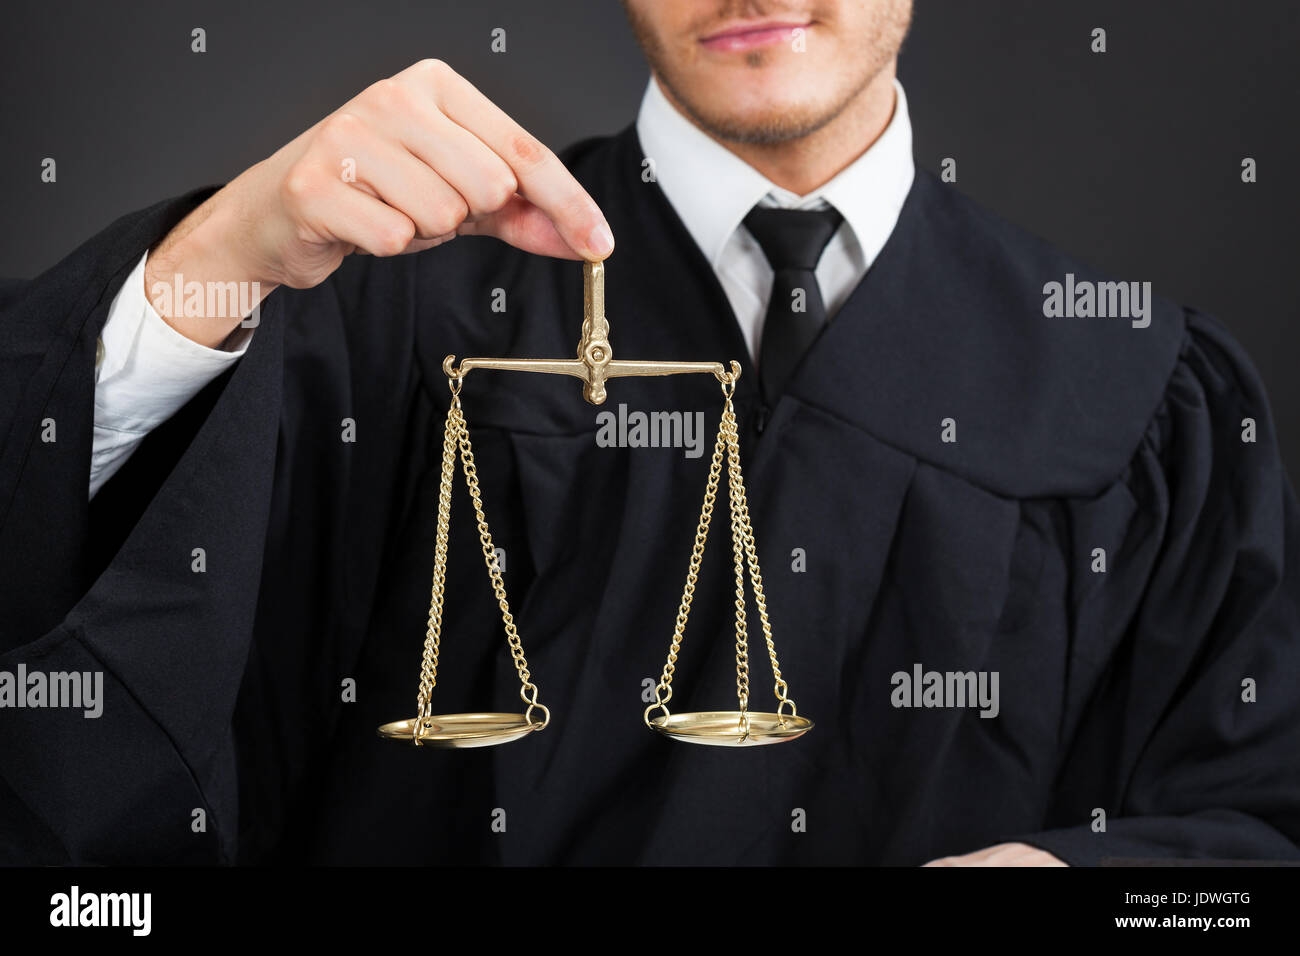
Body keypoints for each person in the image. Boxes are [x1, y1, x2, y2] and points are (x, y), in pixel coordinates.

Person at [1, 0, 1297, 866]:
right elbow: (104, 643)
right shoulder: (389, 291)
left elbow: (1249, 838)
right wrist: (215, 262)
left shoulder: (1138, 379)